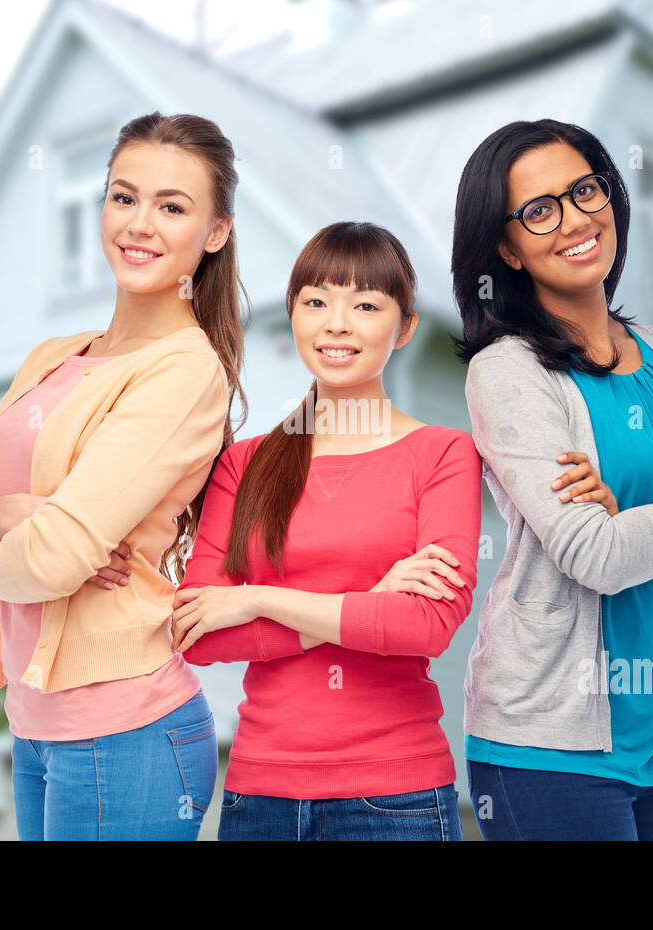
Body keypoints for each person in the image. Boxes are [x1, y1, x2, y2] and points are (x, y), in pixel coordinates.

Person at [0, 111, 246, 840]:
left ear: (215, 231)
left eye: (173, 206)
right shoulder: (52, 356)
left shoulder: (183, 372)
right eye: (123, 197)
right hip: (34, 728)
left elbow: (55, 558)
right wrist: (9, 515)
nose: (140, 224)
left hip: (125, 734)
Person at [452, 119, 653, 840]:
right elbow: (596, 560)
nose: (575, 219)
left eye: (585, 190)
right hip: (549, 742)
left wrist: (644, 526)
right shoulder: (508, 373)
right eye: (539, 210)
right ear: (506, 245)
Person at [167, 221, 482, 841]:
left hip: (397, 797)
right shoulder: (244, 462)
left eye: (365, 305)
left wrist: (254, 599)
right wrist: (367, 605)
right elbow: (197, 632)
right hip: (259, 795)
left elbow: (425, 624)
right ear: (293, 317)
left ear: (405, 327)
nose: (336, 323)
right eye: (316, 302)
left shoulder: (444, 454)